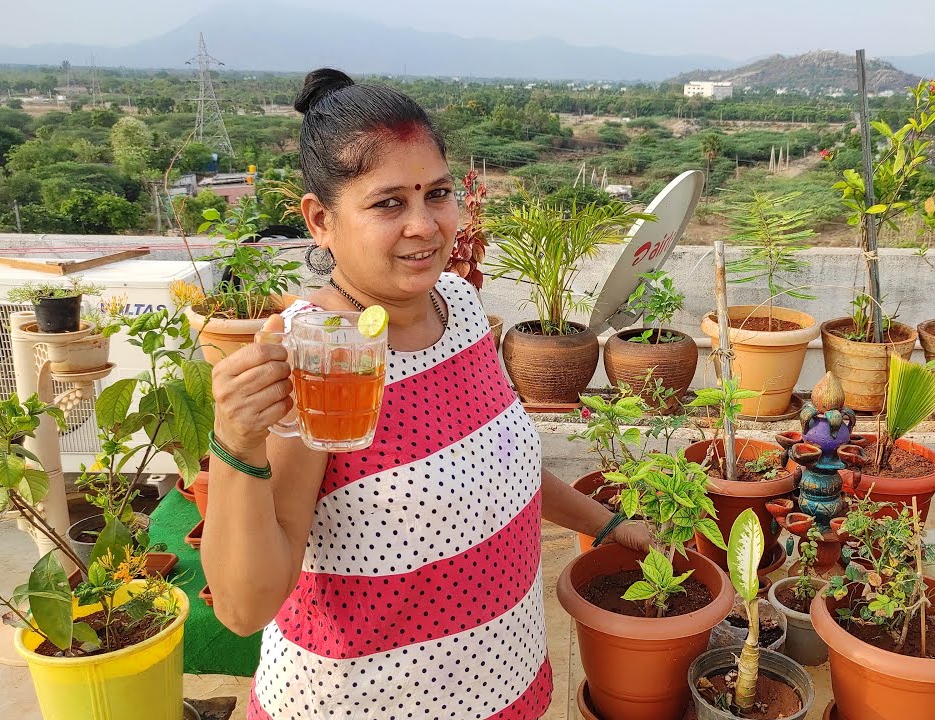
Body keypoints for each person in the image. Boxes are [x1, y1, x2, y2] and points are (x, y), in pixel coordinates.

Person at [202, 68, 651, 720]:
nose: (424, 225)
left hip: (501, 683)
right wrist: (236, 440)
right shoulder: (318, 358)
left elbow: (501, 467)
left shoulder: (461, 307)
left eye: (437, 194)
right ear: (321, 221)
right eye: (389, 203)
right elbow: (246, 608)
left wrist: (609, 526)